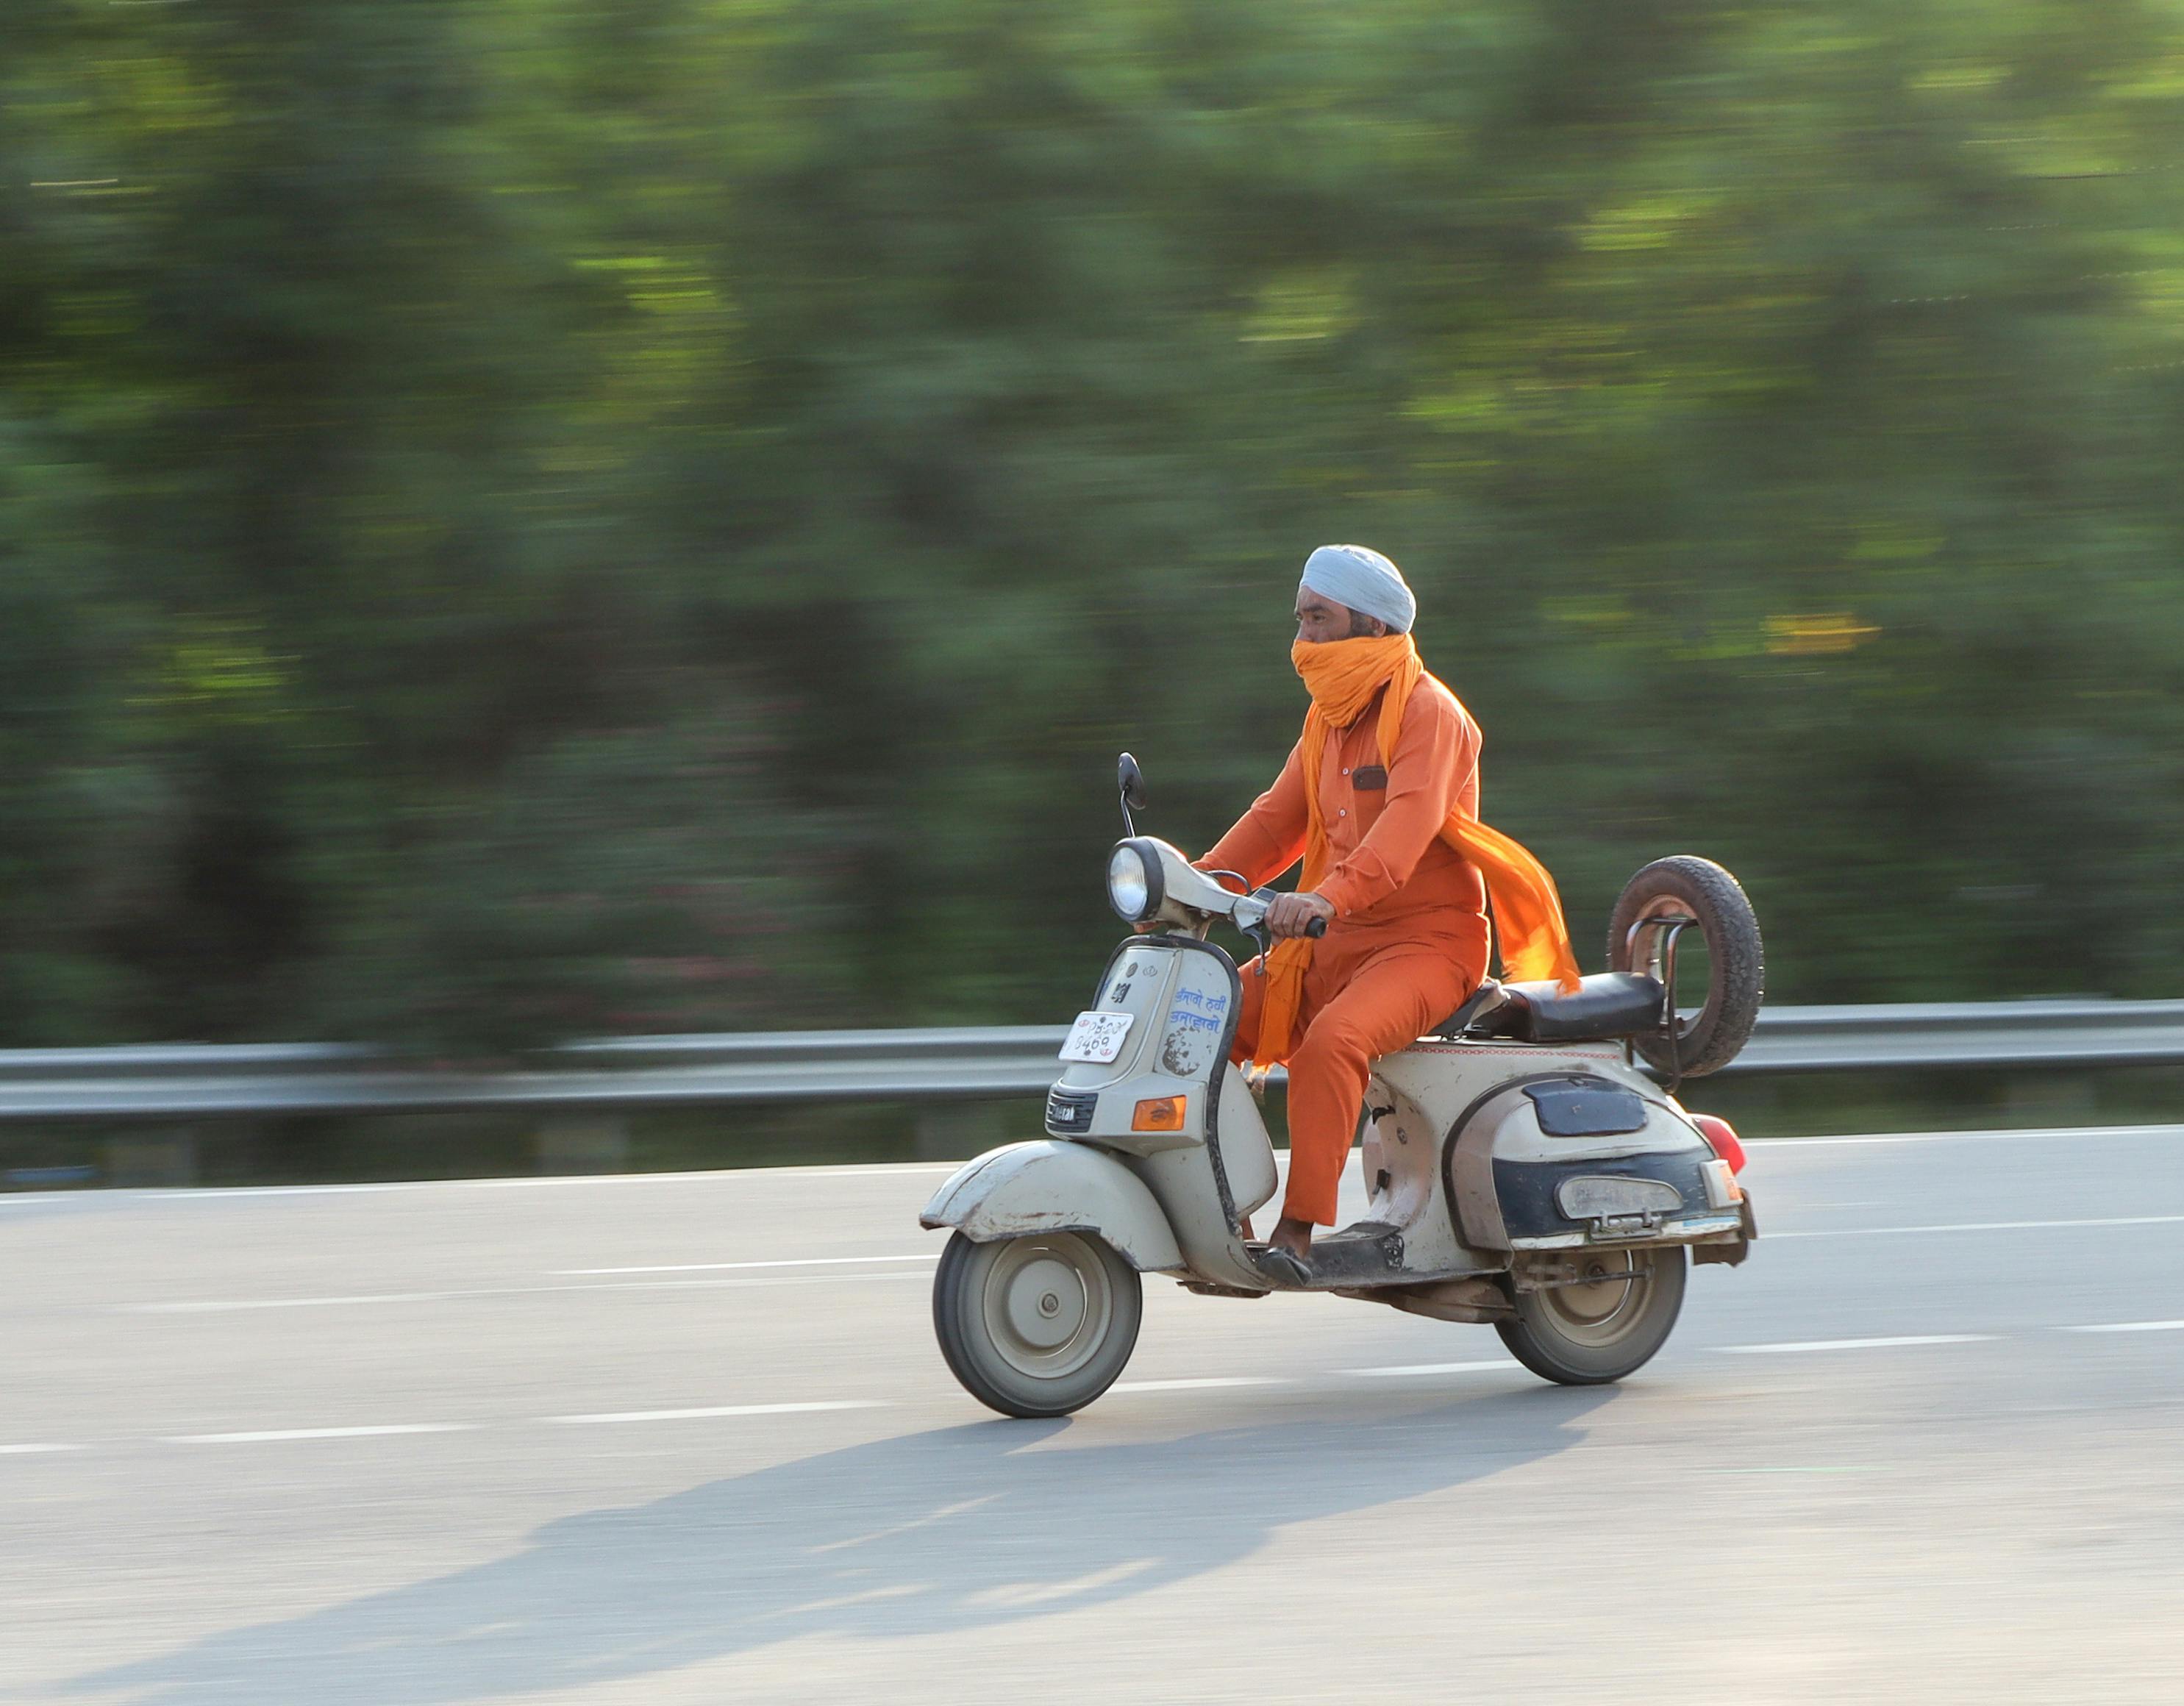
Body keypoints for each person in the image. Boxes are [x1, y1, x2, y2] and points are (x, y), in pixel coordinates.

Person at [1196, 544, 1580, 1273]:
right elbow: (1276, 823)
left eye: (1319, 620)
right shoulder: (1327, 721)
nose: (1302, 640)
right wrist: (1184, 883)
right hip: (1331, 937)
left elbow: (1398, 841)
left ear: (1370, 627)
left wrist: (1321, 897)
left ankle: (1300, 1231)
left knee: (1332, 1041)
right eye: (1300, 621)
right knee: (1202, 1021)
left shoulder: (1432, 714)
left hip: (1428, 945)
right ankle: (1217, 1201)